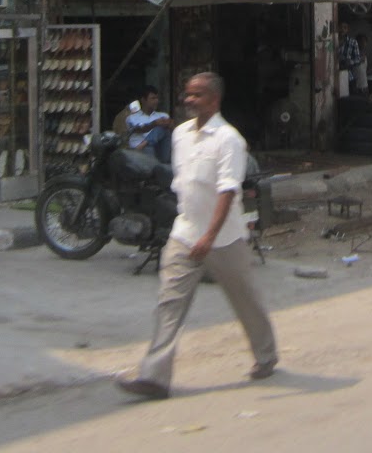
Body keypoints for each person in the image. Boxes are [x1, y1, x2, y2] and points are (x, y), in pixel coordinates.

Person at [116, 73, 277, 400]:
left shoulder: (229, 139)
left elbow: (228, 190)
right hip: (185, 233)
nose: (189, 100)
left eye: (197, 95)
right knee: (169, 304)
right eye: (187, 94)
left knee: (245, 301)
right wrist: (191, 232)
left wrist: (210, 236)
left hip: (225, 239)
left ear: (214, 100)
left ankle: (266, 355)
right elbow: (183, 182)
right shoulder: (179, 135)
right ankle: (155, 377)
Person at [125, 87, 173, 163]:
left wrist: (169, 124)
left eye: (157, 98)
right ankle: (144, 145)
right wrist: (154, 124)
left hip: (158, 150)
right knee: (149, 148)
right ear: (143, 100)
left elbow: (171, 130)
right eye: (153, 98)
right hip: (141, 153)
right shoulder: (132, 118)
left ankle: (144, 144)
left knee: (162, 129)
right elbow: (139, 129)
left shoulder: (163, 115)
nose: (156, 101)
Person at [336, 19, 365, 94]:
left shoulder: (352, 42)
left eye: (345, 27)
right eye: (340, 27)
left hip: (348, 76)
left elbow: (358, 59)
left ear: (348, 29)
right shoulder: (332, 41)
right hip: (333, 75)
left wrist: (349, 62)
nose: (342, 29)